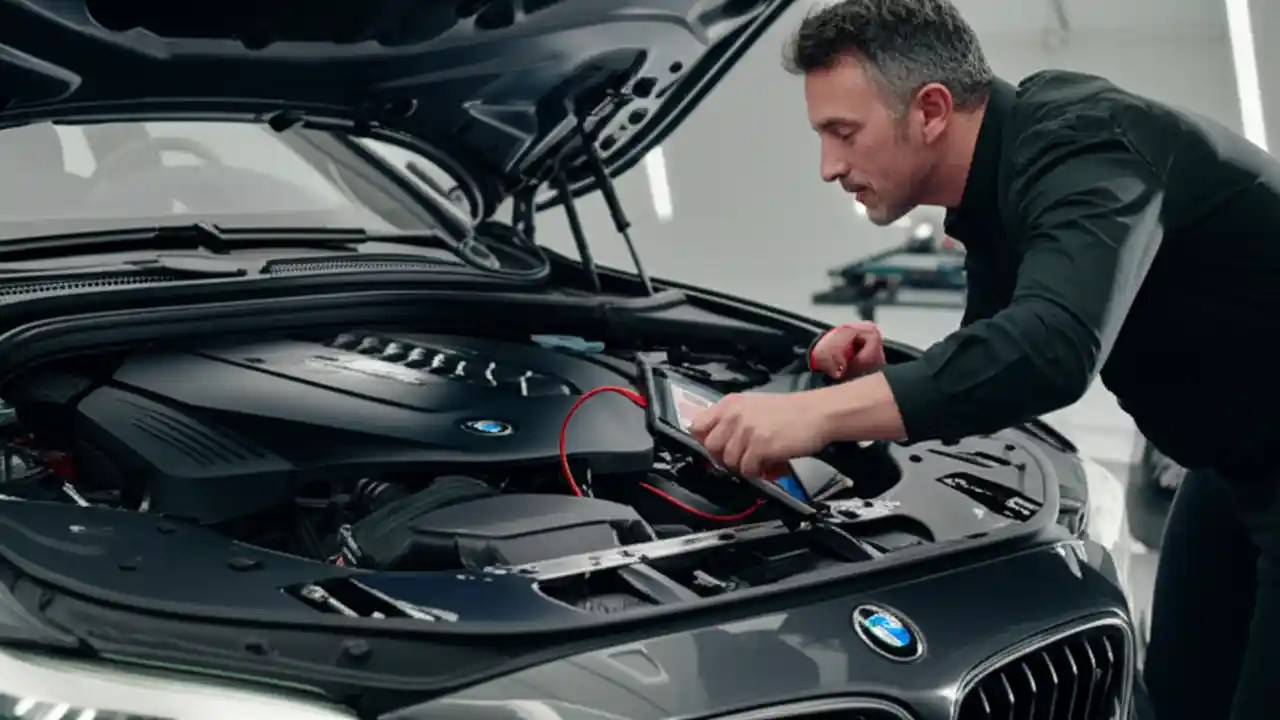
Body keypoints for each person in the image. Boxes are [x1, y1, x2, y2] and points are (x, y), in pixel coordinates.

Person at [685, 1, 1280, 718]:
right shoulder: (997, 191)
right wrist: (877, 385)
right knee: (1176, 701)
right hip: (1231, 466)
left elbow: (1051, 350)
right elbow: (991, 362)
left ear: (931, 109)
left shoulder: (1084, 145)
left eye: (844, 133)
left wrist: (811, 414)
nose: (829, 166)